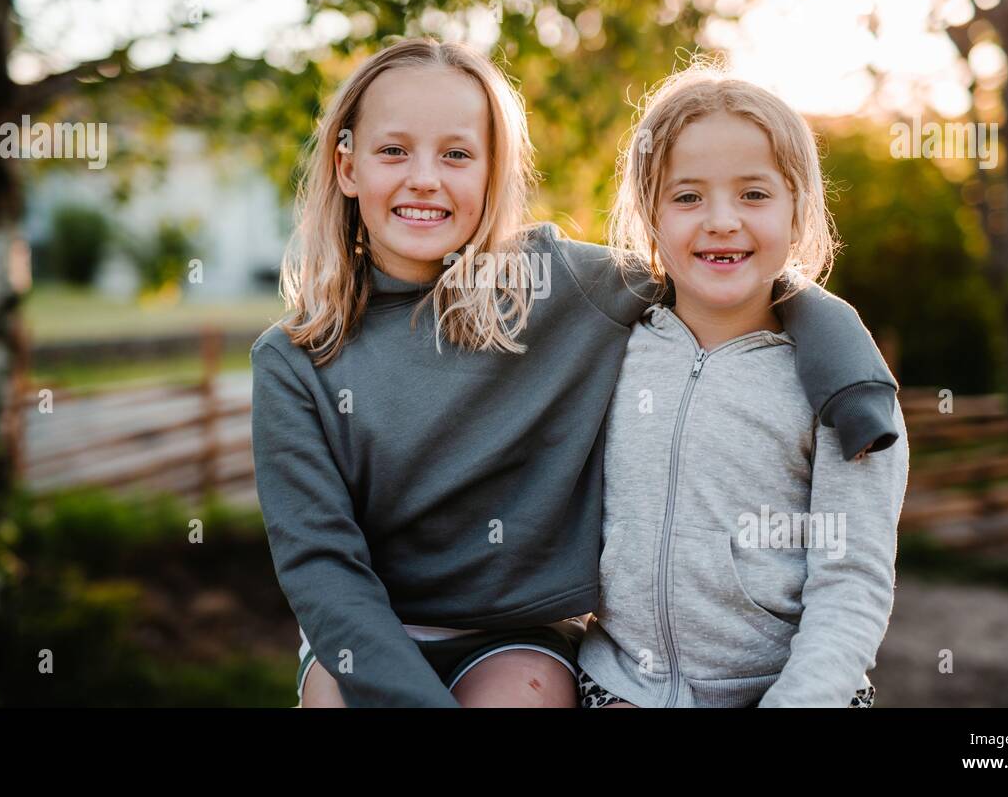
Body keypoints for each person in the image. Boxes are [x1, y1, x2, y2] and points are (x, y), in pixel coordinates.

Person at [250, 38, 901, 707]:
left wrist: (852, 379)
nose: (424, 177)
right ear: (347, 165)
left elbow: (738, 275)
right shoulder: (295, 360)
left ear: (492, 170)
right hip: (368, 629)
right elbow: (321, 566)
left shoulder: (555, 287)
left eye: (456, 153)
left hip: (513, 634)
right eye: (393, 150)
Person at [575, 65, 909, 707]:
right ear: (649, 214)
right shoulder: (609, 352)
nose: (721, 220)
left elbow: (852, 584)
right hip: (621, 687)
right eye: (687, 196)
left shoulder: (844, 386)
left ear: (797, 211)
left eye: (754, 195)